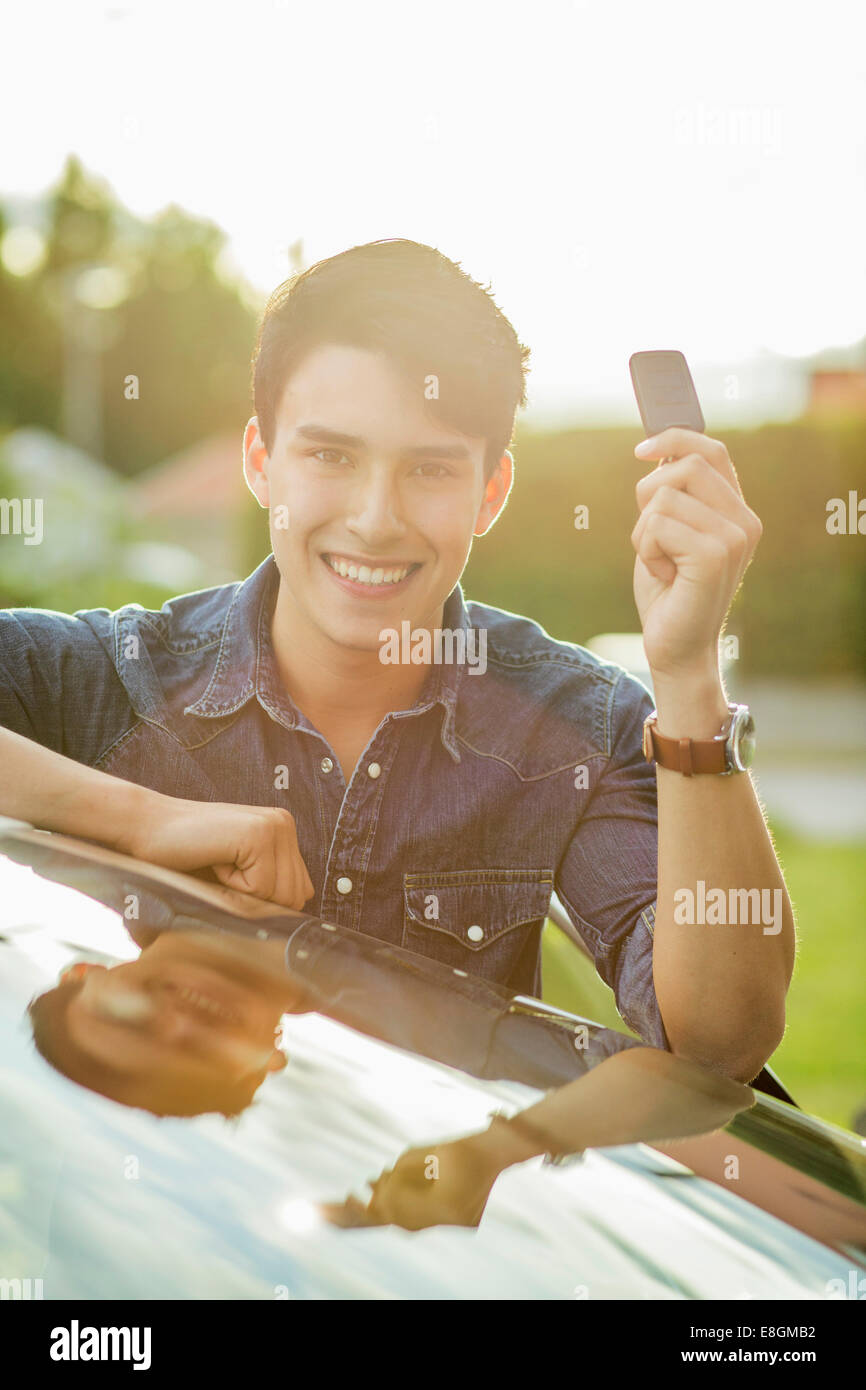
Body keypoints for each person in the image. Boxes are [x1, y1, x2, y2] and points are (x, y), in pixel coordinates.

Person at [0, 238, 794, 1082]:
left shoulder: (578, 726)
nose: (376, 519)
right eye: (331, 455)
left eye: (429, 468)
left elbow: (719, 1043)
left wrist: (687, 673)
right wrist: (141, 822)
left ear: (492, 493)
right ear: (260, 463)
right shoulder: (105, 678)